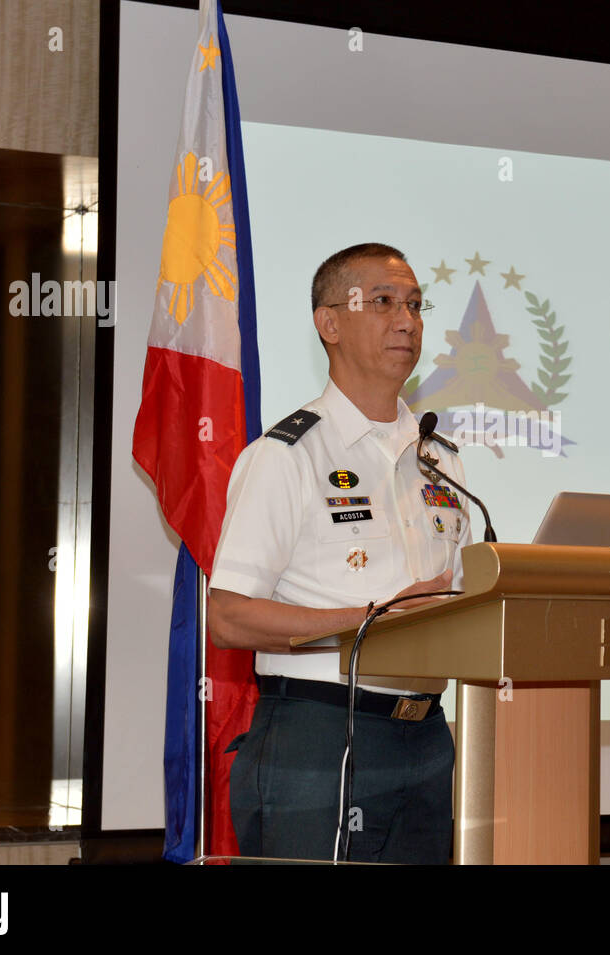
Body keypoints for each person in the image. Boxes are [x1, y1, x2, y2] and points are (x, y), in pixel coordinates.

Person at [207, 242, 472, 864]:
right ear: (329, 324)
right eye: (382, 302)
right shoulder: (288, 455)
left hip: (428, 735)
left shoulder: (442, 460)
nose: (406, 320)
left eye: (414, 304)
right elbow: (228, 617)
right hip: (320, 732)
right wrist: (371, 622)